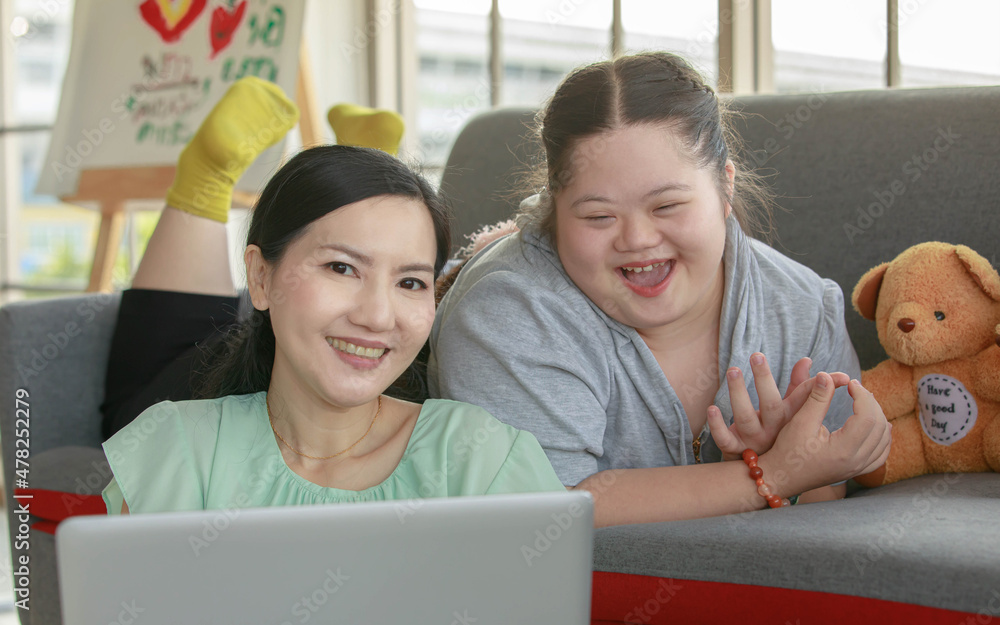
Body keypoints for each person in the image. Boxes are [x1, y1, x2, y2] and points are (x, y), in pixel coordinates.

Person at [429, 52, 891, 527]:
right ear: (556, 207)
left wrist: (794, 468)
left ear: (725, 188)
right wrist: (770, 475)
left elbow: (826, 507)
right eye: (598, 217)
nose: (637, 240)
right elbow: (544, 514)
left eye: (667, 205)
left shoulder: (802, 307)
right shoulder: (508, 312)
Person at [100, 77, 565, 515]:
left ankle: (320, 178)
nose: (378, 316)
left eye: (411, 282)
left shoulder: (484, 458)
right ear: (258, 278)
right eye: (342, 267)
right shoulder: (176, 447)